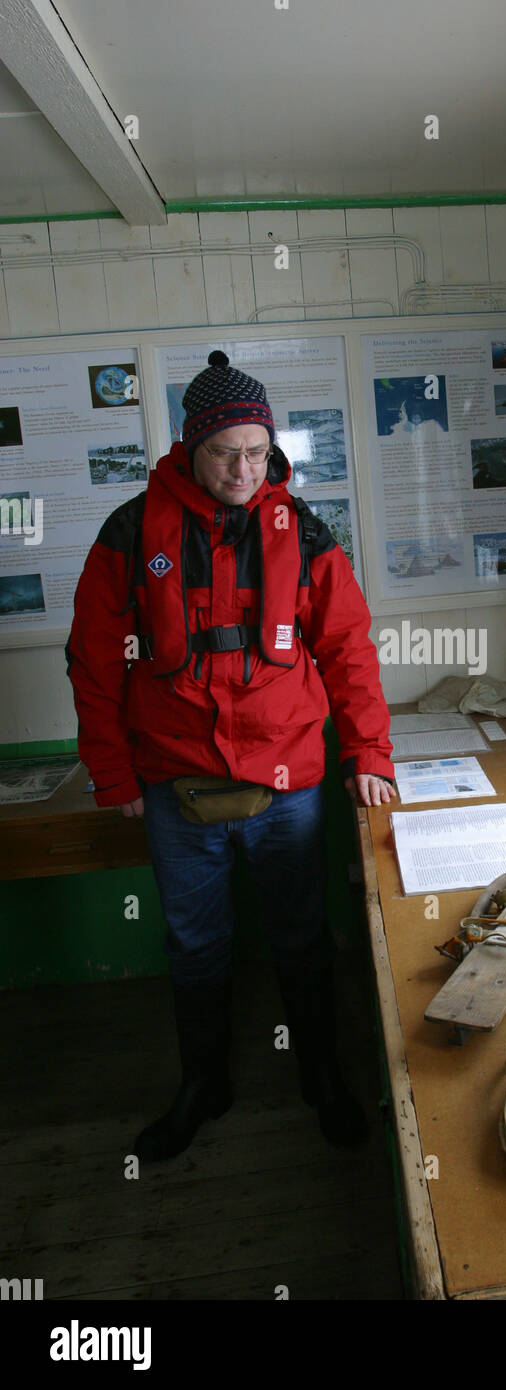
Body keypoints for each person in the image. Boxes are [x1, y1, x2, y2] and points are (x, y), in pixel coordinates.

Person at [66, 350, 396, 1163]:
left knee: (300, 933)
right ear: (189, 447)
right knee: (194, 942)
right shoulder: (130, 529)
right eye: (224, 453)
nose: (243, 470)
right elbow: (94, 655)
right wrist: (113, 774)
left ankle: (319, 1073)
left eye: (257, 452)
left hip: (289, 784)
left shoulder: (306, 531)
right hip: (174, 785)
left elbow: (350, 649)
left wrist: (369, 754)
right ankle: (202, 1084)